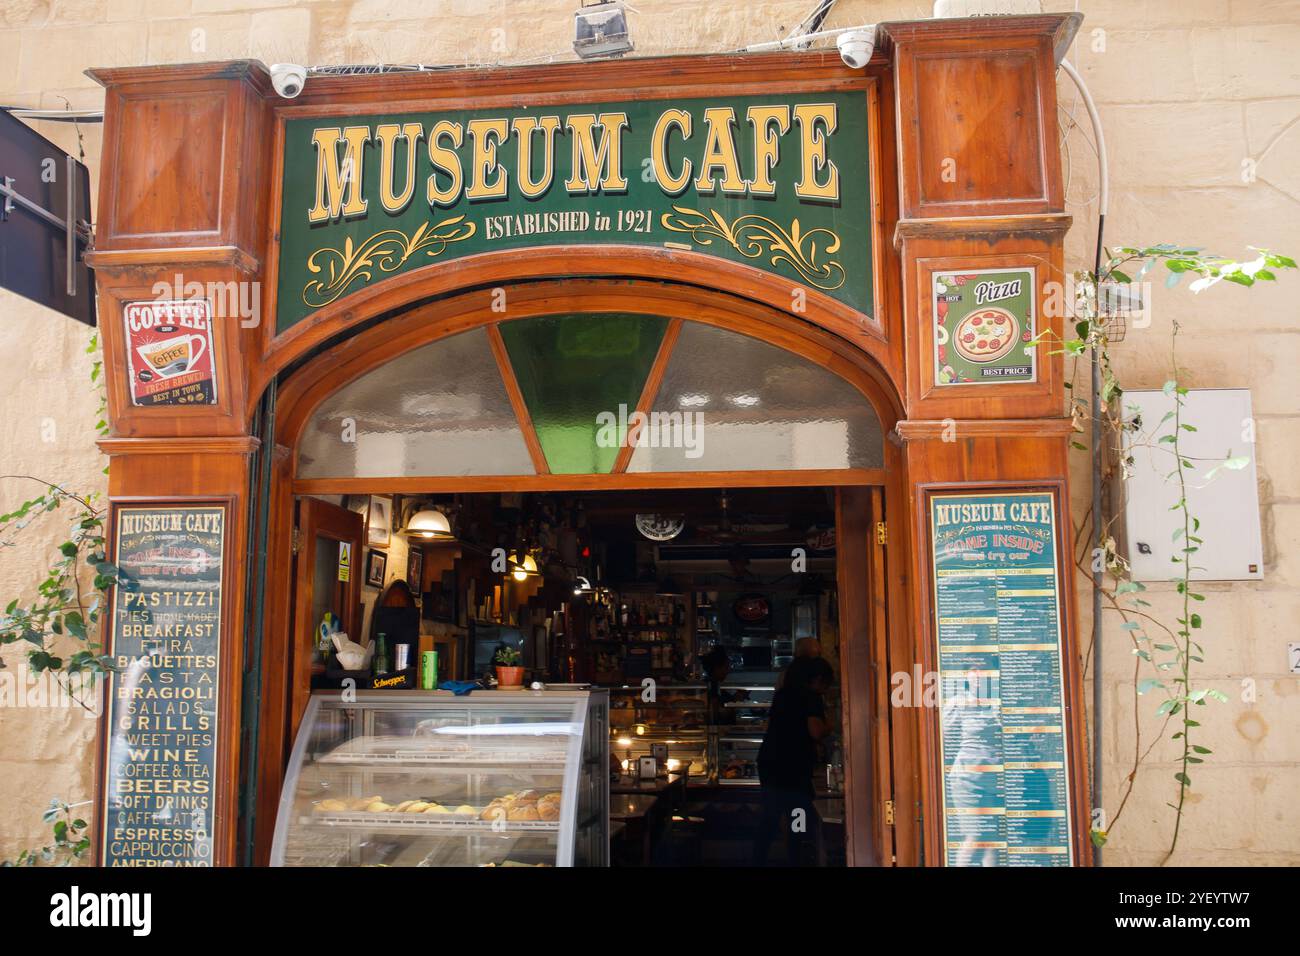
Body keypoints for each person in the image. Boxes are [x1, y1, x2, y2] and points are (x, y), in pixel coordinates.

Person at [753, 655, 834, 866]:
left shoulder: (782, 694)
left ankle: (758, 859)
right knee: (797, 816)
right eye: (825, 684)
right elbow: (815, 731)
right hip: (794, 768)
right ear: (817, 679)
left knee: (770, 817)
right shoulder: (811, 697)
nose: (825, 689)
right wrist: (831, 725)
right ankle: (796, 859)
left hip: (771, 763)